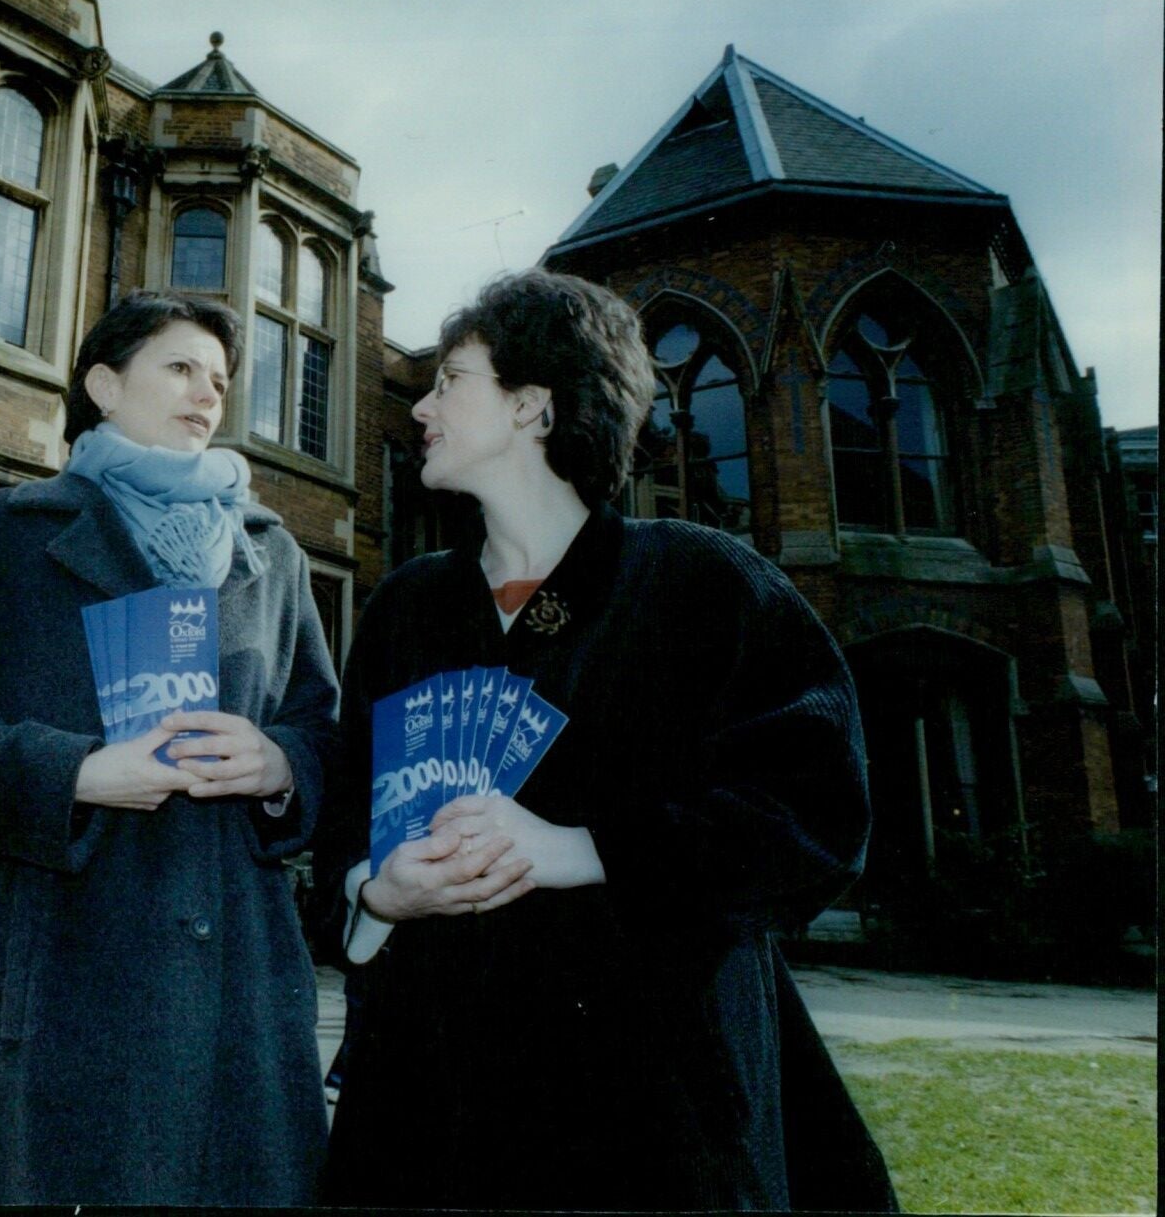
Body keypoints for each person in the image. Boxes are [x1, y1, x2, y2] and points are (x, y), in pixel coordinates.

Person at [311, 269, 898, 1211]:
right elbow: (346, 815)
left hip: (644, 1115)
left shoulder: (703, 585)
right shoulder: (407, 606)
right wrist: (375, 893)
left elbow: (817, 816)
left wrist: (578, 848)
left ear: (533, 407)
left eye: (451, 379)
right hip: (423, 1111)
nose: (420, 404)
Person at [0, 290, 338, 1206]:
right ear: (102, 382)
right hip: (60, 988)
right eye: (179, 368)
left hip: (238, 999)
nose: (206, 394)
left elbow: (323, 730)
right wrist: (81, 773)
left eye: (218, 379)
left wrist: (281, 764)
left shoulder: (273, 552)